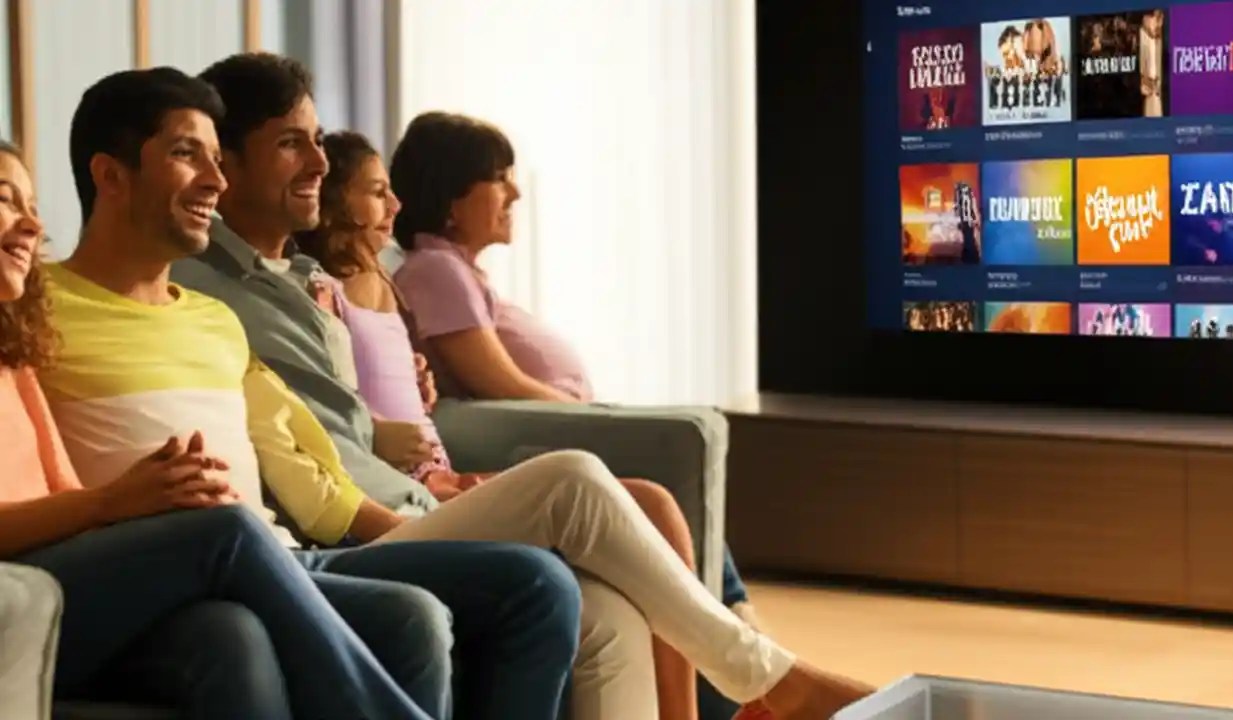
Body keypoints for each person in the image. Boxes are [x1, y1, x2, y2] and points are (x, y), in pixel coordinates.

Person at [171, 51, 878, 720]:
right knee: (572, 478)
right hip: (346, 539)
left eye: (318, 140)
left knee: (607, 613)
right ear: (225, 164)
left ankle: (758, 678)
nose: (321, 162)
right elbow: (281, 468)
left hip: (408, 501)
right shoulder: (197, 288)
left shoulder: (309, 282)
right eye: (292, 143)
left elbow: (342, 434)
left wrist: (421, 463)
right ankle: (771, 679)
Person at [46, 66, 584, 720]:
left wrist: (400, 512)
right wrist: (106, 503)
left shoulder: (214, 316)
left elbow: (297, 445)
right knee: (229, 579)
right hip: (159, 567)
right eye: (188, 155)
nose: (216, 181)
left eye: (218, 159)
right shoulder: (33, 310)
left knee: (534, 583)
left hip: (278, 552)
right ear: (110, 175)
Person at [0, 139, 446, 720]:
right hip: (30, 592)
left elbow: (64, 494)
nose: (32, 224)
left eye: (31, 206)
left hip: (67, 584)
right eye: (6, 202)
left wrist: (141, 496)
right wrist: (112, 502)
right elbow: (82, 510)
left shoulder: (16, 356)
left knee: (234, 632)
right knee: (225, 529)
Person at [295, 130, 703, 720]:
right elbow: (334, 418)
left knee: (643, 535)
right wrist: (388, 435)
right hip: (408, 495)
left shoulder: (384, 286)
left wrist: (417, 385)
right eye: (378, 192)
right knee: (621, 496)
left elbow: (376, 389)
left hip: (434, 477)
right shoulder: (329, 292)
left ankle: (719, 673)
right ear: (336, 203)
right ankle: (753, 664)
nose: (395, 206)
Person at [382, 111, 762, 643]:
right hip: (539, 435)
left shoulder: (456, 271)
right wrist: (594, 418)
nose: (514, 192)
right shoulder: (436, 271)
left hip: (557, 426)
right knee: (665, 450)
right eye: (499, 177)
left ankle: (736, 621)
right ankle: (736, 626)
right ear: (451, 198)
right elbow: (497, 381)